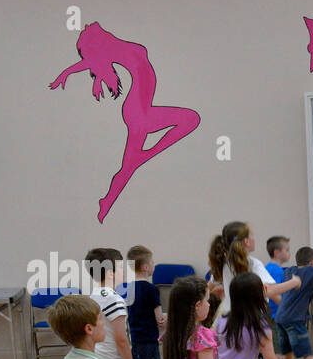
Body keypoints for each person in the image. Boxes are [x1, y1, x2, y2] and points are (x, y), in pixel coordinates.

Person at [48, 22, 200, 223]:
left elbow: (94, 61)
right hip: (138, 112)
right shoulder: (111, 49)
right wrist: (65, 73)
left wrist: (72, 74)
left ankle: (107, 202)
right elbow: (90, 61)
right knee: (190, 119)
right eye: (86, 32)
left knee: (128, 167)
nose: (86, 27)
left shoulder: (115, 46)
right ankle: (144, 157)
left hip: (141, 111)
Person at [122, 245, 167, 359]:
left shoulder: (128, 288)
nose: (154, 265)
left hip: (136, 342)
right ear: (146, 267)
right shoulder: (150, 289)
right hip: (149, 342)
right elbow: (159, 319)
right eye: (153, 262)